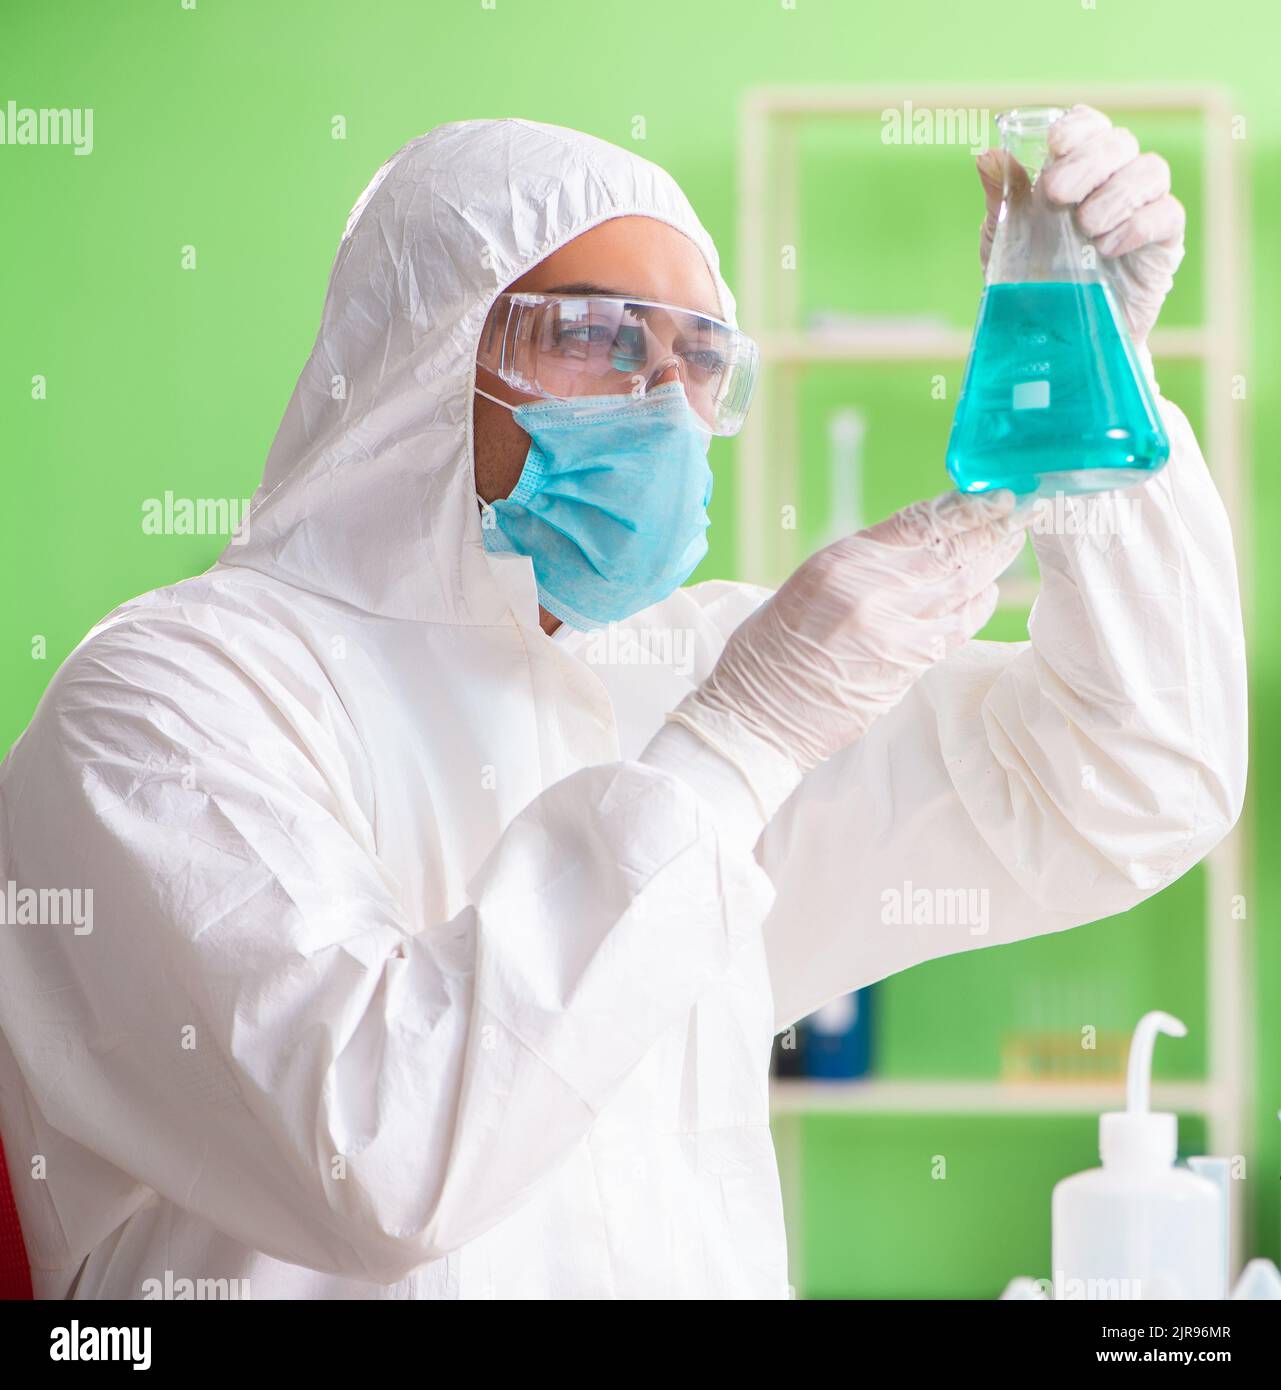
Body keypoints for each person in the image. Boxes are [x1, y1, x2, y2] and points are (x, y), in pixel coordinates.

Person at [0, 112, 1246, 1299]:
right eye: (598, 335)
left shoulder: (679, 669)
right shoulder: (168, 699)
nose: (664, 399)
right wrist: (742, 740)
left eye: (700, 357)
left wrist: (1101, 386)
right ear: (432, 357)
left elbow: (1132, 777)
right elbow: (380, 1155)